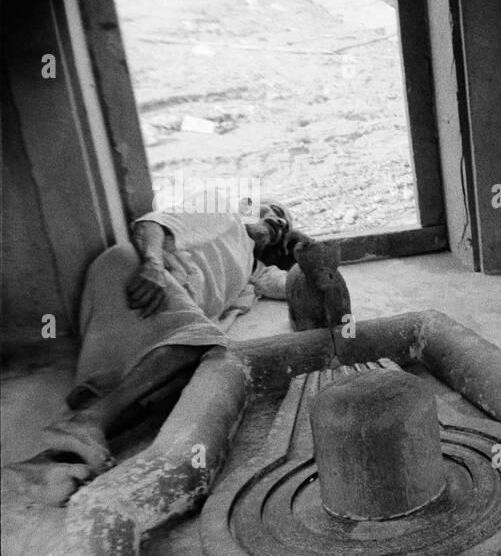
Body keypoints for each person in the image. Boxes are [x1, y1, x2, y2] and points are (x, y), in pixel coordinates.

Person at [3, 202, 310, 505]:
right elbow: (152, 223)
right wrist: (153, 266)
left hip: (164, 307)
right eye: (270, 212)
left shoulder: (254, 268)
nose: (277, 222)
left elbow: (291, 286)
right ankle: (87, 421)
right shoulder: (224, 217)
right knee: (202, 346)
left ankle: (45, 463)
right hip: (135, 274)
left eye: (283, 223)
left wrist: (304, 255)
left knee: (165, 388)